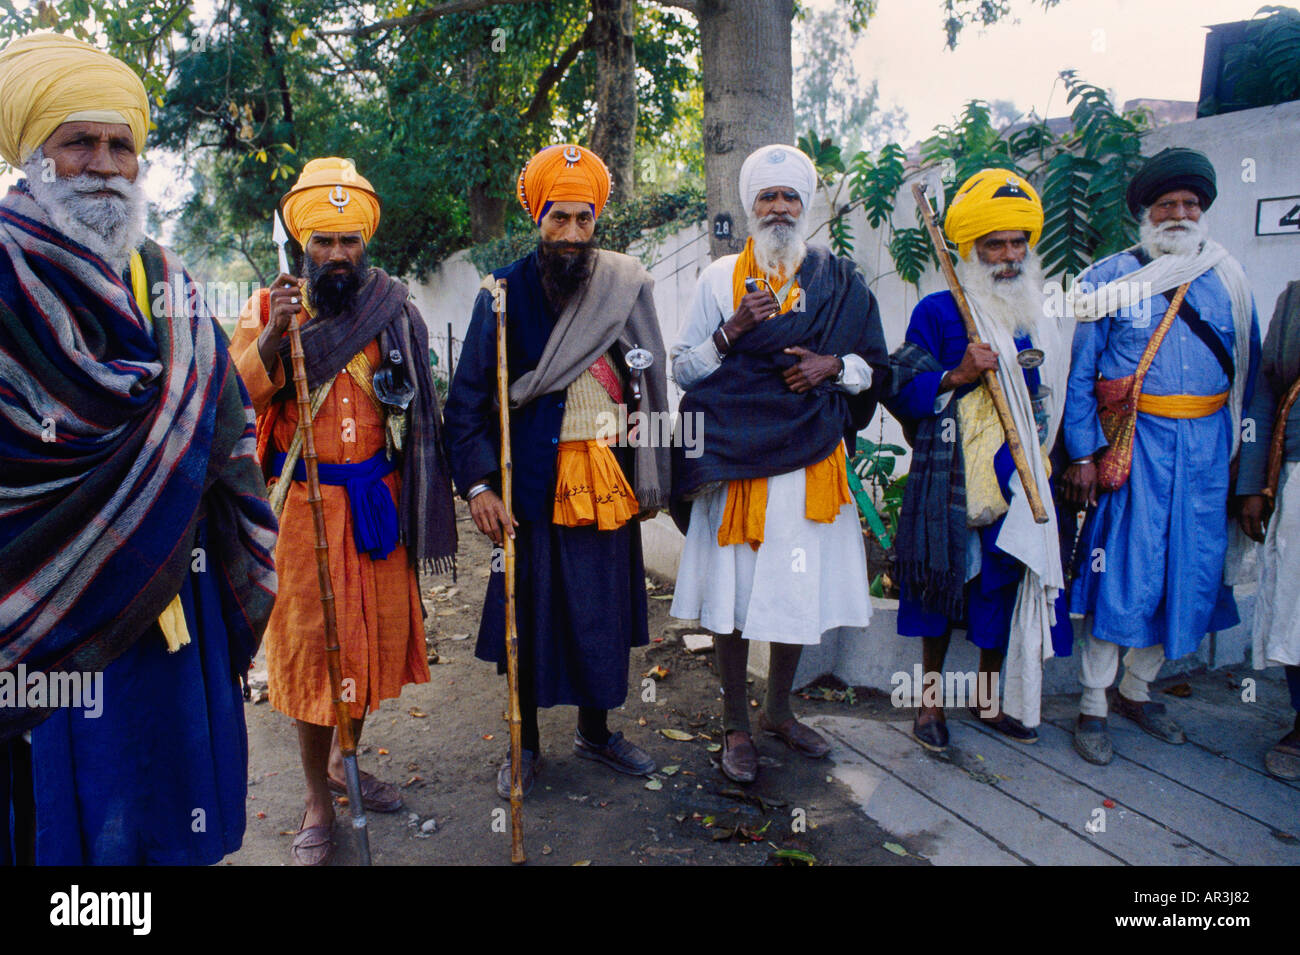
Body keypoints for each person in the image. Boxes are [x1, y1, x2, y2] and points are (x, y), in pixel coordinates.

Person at [0, 33, 277, 864]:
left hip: (168, 593)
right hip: (42, 616)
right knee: (64, 828)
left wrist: (237, 559)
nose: (104, 163)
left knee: (170, 805)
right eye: (78, 141)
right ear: (34, 155)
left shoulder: (170, 279)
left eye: (121, 144)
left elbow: (226, 436)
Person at [229, 157, 457, 864]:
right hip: (304, 510)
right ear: (303, 242)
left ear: (365, 244)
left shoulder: (392, 306)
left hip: (376, 508)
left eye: (348, 240)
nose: (336, 253)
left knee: (363, 645)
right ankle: (316, 797)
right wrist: (276, 337)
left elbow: (419, 403)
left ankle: (345, 761)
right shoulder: (270, 308)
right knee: (310, 659)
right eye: (323, 239)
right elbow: (231, 398)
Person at [443, 144, 672, 798]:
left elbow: (651, 380)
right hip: (531, 487)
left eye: (583, 220)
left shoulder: (624, 286)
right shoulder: (502, 293)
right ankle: (526, 744)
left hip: (605, 483)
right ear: (538, 219)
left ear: (596, 221)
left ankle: (596, 733)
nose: (572, 235)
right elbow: (467, 403)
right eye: (558, 220)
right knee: (531, 619)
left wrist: (652, 460)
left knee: (600, 615)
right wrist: (481, 485)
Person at [668, 144, 888, 784]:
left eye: (790, 197)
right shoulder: (717, 280)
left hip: (808, 463)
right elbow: (683, 367)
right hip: (736, 460)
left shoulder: (839, 280)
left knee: (793, 589)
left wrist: (833, 367)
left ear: (805, 206)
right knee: (734, 595)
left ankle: (779, 712)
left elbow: (876, 364)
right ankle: (737, 722)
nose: (780, 208)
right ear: (750, 209)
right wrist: (730, 331)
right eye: (767, 198)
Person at [1063, 147, 1260, 765]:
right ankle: (1093, 704)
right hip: (1133, 451)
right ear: (1145, 212)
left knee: (1188, 573)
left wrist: (1243, 464)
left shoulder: (1229, 278)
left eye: (1190, 204)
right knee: (1121, 571)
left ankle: (1138, 690)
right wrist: (1083, 454)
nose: (1179, 213)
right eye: (1167, 204)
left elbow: (1250, 380)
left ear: (1202, 211)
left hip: (1206, 456)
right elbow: (1079, 377)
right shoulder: (1106, 280)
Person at [885, 169, 1072, 752]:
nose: (1010, 255)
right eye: (996, 244)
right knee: (936, 584)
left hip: (1016, 472)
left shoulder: (1034, 316)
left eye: (1019, 243)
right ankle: (929, 707)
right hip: (951, 471)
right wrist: (957, 375)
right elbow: (898, 383)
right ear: (971, 248)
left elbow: (1048, 396)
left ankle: (990, 703)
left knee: (1001, 580)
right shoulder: (940, 311)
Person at [1236, 279, 1300, 780]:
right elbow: (1265, 393)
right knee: (1296, 604)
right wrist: (1254, 482)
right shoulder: (1296, 298)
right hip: (1299, 472)